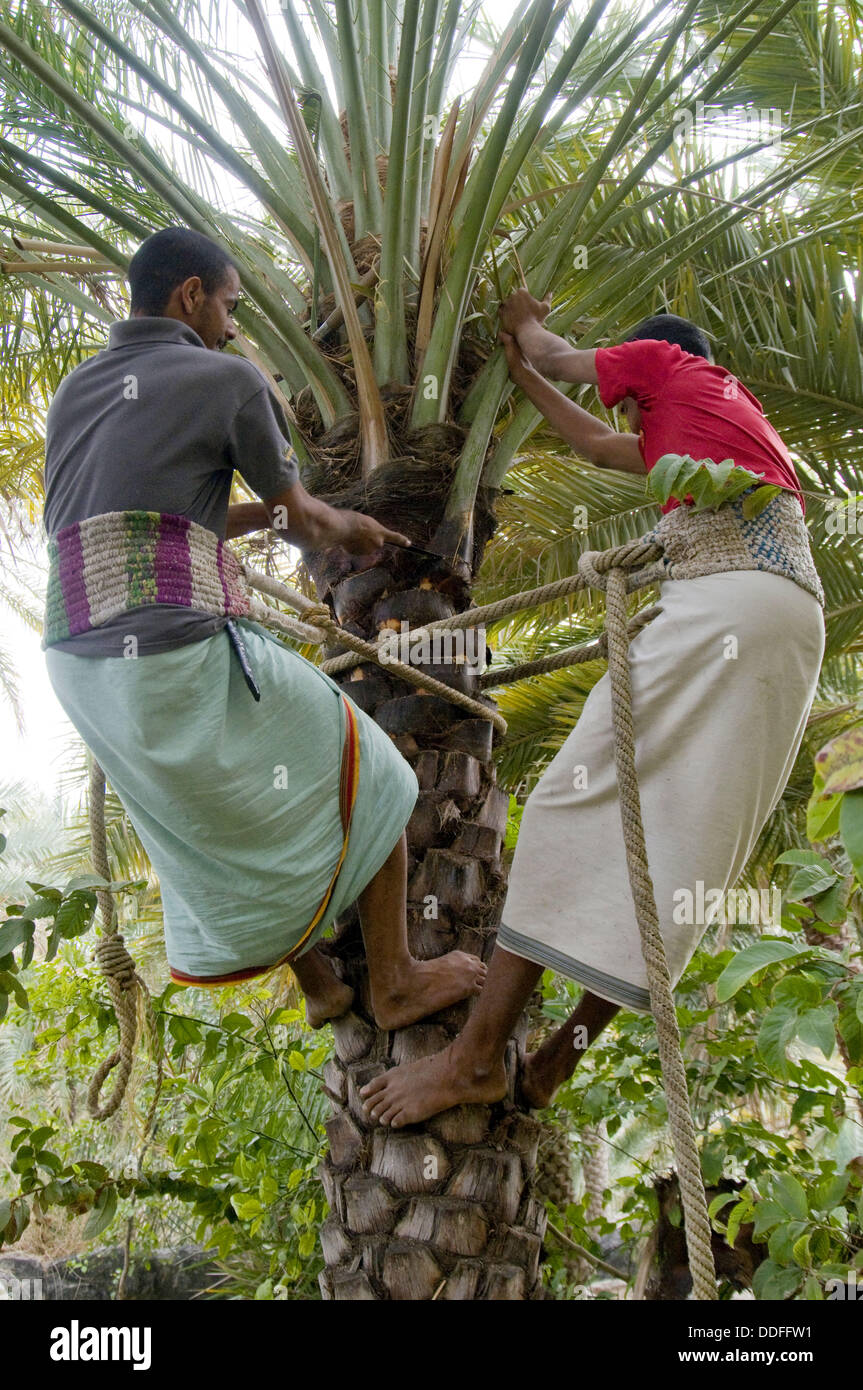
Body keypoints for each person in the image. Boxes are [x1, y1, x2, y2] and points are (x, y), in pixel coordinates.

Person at [361, 290, 825, 1126]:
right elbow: (588, 438)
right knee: (682, 856)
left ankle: (472, 1060)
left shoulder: (672, 362)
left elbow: (555, 352)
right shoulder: (729, 424)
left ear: (648, 364)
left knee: (567, 805)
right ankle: (547, 1066)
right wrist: (519, 376)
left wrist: (518, 330)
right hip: (790, 621)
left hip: (723, 605)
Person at [43, 226, 486, 1027]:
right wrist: (346, 529)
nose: (233, 323)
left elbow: (149, 520)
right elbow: (297, 518)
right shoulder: (226, 377)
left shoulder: (78, 389)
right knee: (378, 773)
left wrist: (305, 518)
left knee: (205, 818)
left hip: (78, 660)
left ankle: (319, 984)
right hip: (170, 646)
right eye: (228, 303)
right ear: (190, 295)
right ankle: (393, 980)